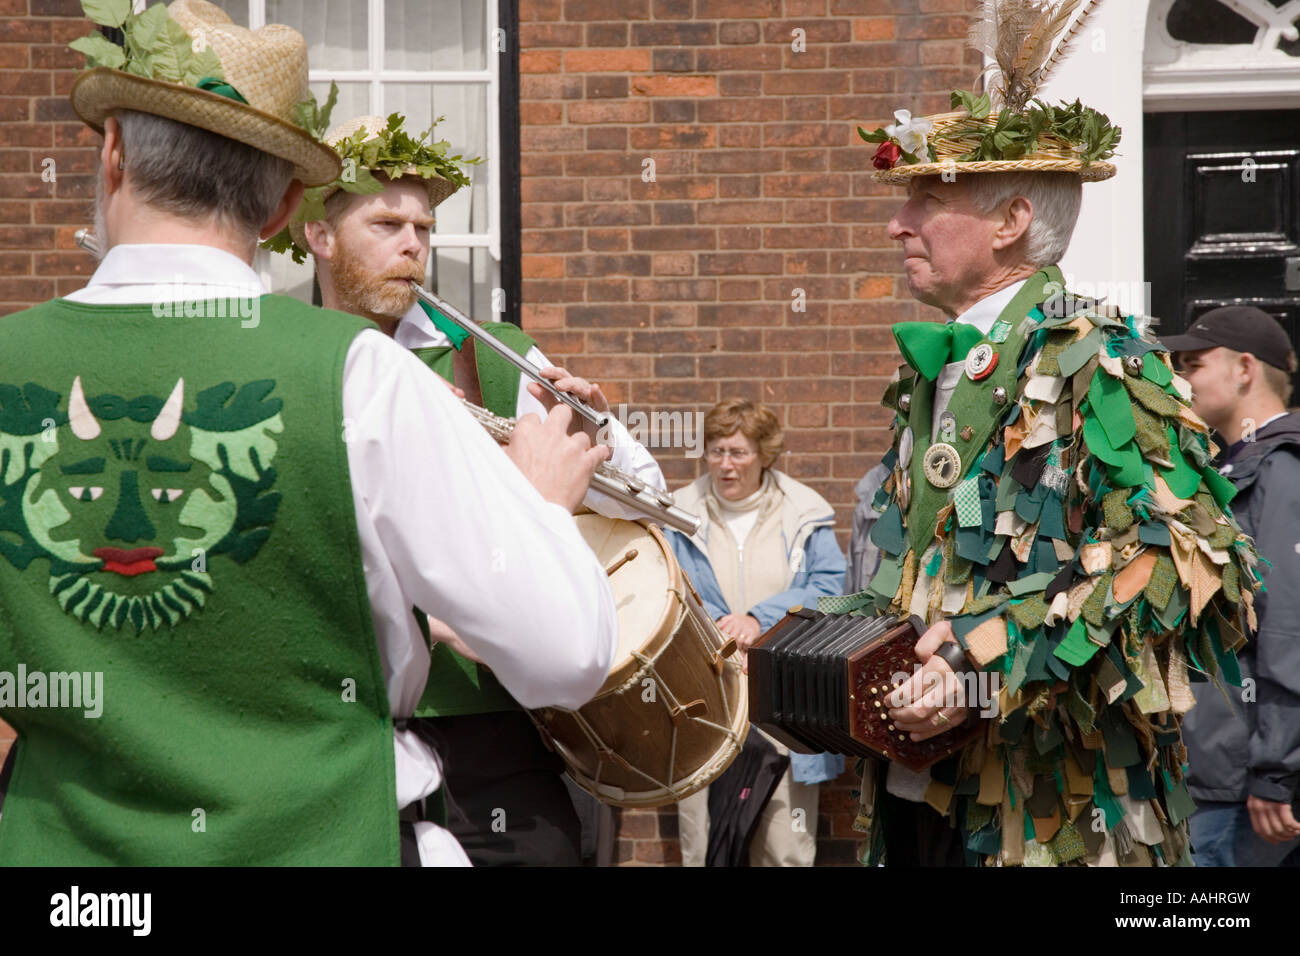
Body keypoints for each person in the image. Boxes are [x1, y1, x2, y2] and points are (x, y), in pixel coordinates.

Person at [0, 0, 616, 866]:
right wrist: (544, 503)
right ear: (290, 204)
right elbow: (569, 654)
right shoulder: (362, 373)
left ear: (111, 158)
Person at [845, 0, 1259, 866]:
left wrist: (983, 662)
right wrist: (792, 641)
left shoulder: (1101, 358)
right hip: (921, 800)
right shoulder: (930, 374)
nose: (898, 222)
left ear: (1011, 221)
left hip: (1056, 816)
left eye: (930, 195)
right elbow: (907, 576)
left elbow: (1187, 564)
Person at [273, 111, 666, 865]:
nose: (413, 245)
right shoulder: (286, 365)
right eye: (386, 223)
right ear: (318, 236)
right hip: (336, 727)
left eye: (422, 226)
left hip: (487, 727)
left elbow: (645, 493)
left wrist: (595, 436)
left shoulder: (491, 354)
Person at [667, 399, 847, 866]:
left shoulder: (803, 514)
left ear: (765, 454)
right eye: (716, 450)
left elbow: (831, 588)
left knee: (785, 845)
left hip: (782, 701)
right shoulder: (678, 516)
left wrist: (759, 619)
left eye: (739, 452)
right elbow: (665, 592)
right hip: (706, 701)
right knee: (704, 845)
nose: (726, 464)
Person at [1160, 306, 1300, 865]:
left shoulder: (1282, 469)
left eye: (1193, 364)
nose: (1178, 379)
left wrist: (1276, 770)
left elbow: (1288, 624)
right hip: (1219, 768)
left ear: (1245, 368)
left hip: (1243, 785)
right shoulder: (1230, 464)